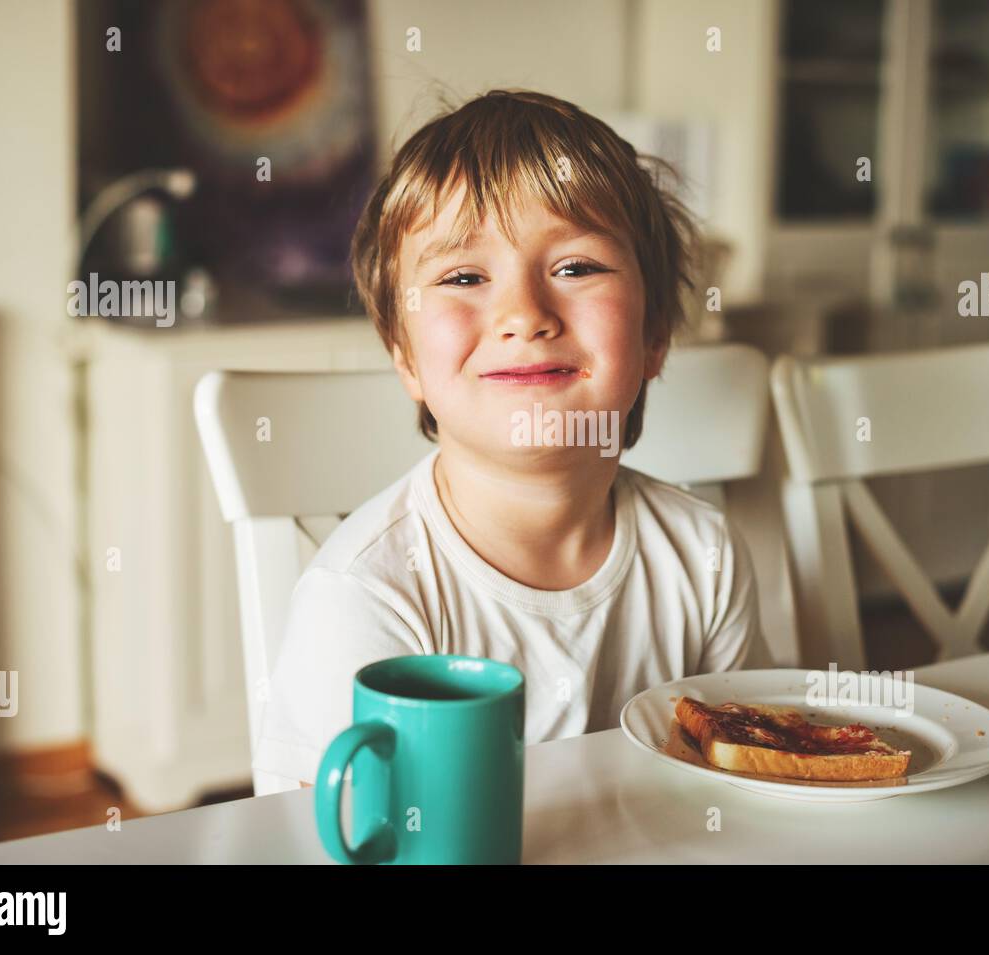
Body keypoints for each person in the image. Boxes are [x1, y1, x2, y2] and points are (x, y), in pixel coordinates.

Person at [252, 89, 771, 788]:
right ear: (406, 357)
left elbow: (750, 785)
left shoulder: (704, 558)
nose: (525, 314)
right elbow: (333, 836)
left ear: (654, 337)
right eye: (464, 276)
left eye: (577, 267)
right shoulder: (370, 598)